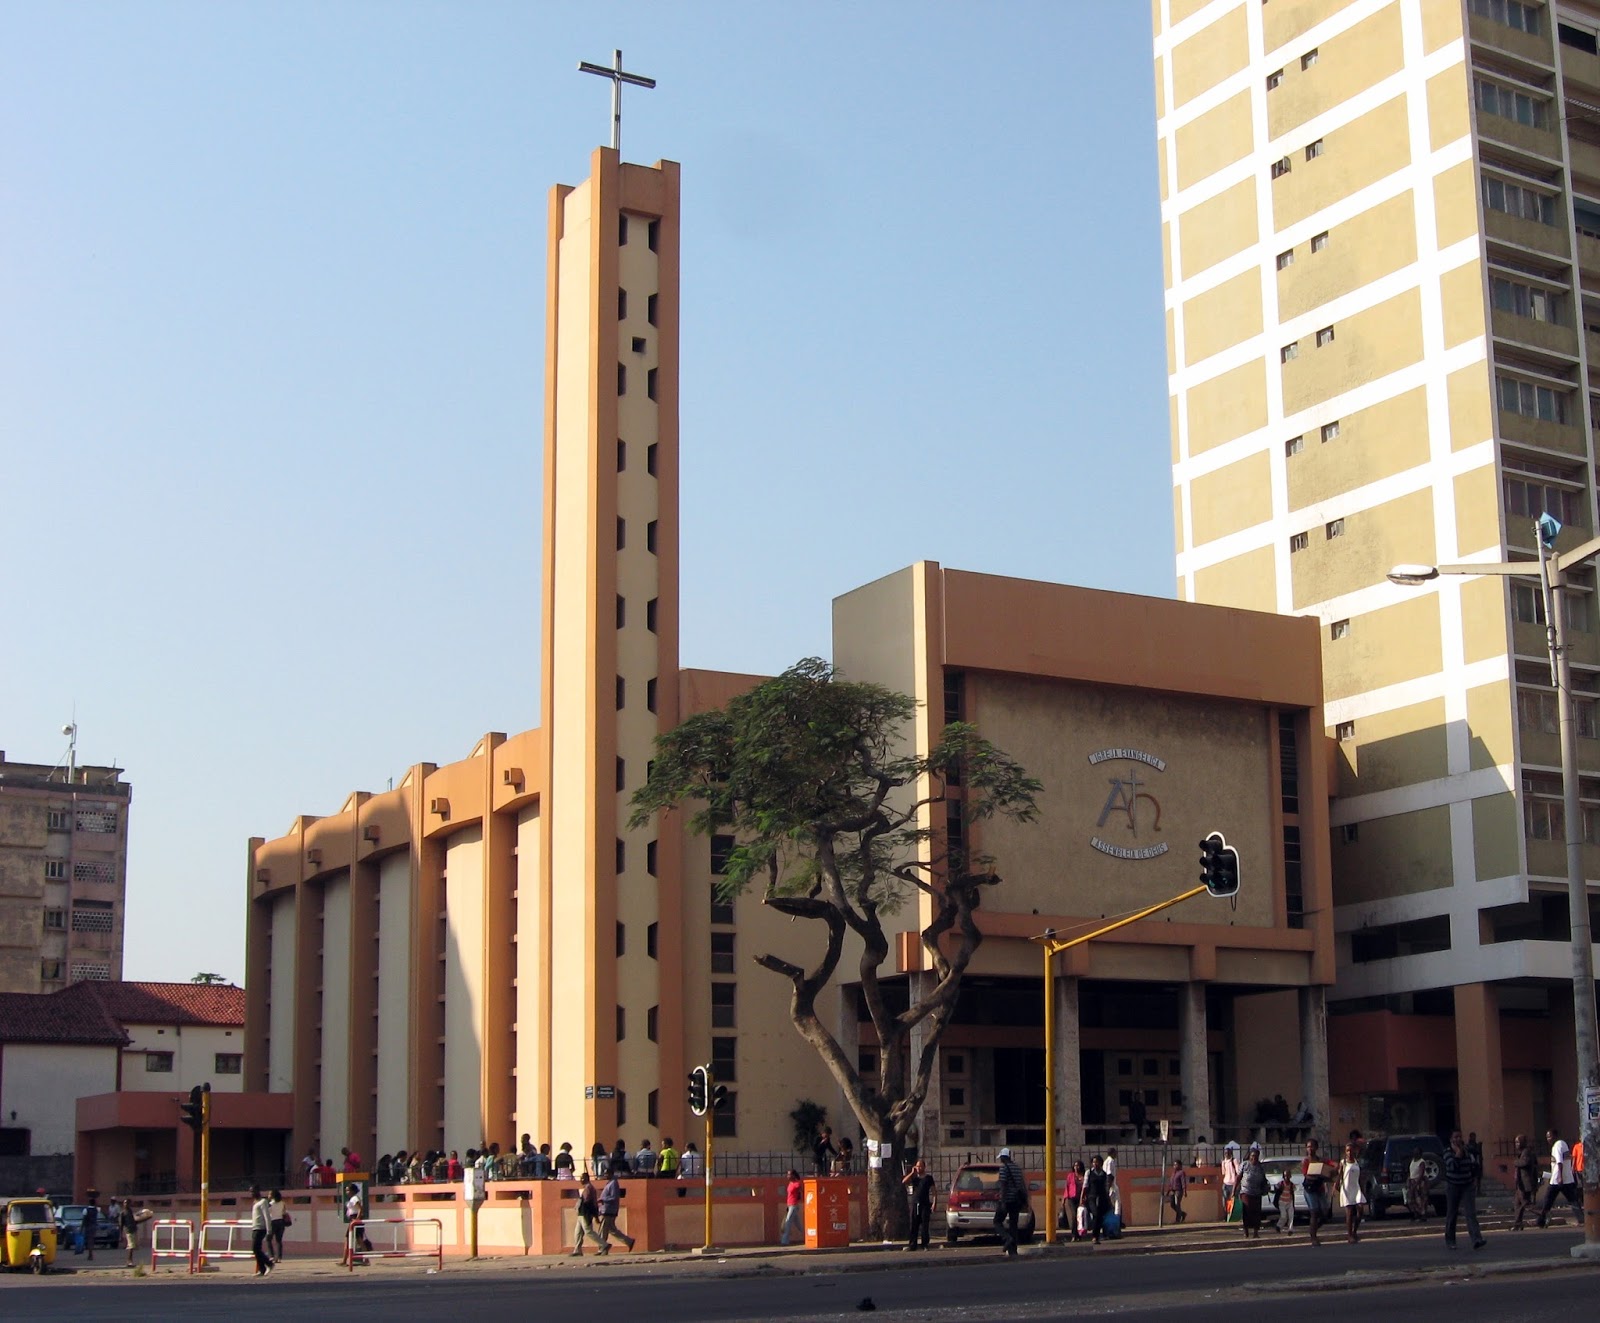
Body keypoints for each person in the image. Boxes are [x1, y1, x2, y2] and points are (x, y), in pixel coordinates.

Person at [1443, 1129, 1485, 1250]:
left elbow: (1474, 1165)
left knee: (1471, 1213)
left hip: (1467, 1185)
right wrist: (1457, 1153)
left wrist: (1474, 1179)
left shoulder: (1467, 1151)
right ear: (1451, 1139)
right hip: (1453, 1185)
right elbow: (1452, 1166)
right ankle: (1450, 1240)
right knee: (1452, 1213)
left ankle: (1476, 1239)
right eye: (1455, 1137)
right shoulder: (1447, 1152)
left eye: (1460, 1137)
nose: (1458, 1139)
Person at [1537, 1128, 1583, 1226]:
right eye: (1547, 1137)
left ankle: (1541, 1221)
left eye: (1549, 1136)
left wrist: (1559, 1177)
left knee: (1548, 1201)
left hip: (1557, 1180)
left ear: (1555, 1136)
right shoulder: (1563, 1144)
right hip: (1567, 1179)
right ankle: (1581, 1219)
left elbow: (1559, 1162)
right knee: (1573, 1201)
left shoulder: (1556, 1146)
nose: (1548, 1139)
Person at [994, 1148, 1026, 1258]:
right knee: (1013, 1225)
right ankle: (1013, 1250)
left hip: (1007, 1200)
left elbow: (1003, 1185)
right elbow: (1021, 1184)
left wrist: (1002, 1201)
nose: (1000, 1160)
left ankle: (1007, 1238)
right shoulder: (1017, 1168)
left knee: (997, 1221)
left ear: (1004, 1157)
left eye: (1001, 1158)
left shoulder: (1004, 1168)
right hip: (1016, 1200)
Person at [596, 1170, 636, 1253]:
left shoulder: (613, 1183)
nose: (605, 1175)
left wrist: (603, 1199)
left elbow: (614, 1197)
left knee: (603, 1230)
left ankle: (602, 1248)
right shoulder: (610, 1183)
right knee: (612, 1230)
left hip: (609, 1210)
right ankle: (629, 1241)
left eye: (607, 1174)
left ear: (611, 1174)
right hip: (607, 1209)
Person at [902, 1158, 937, 1250]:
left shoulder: (928, 1178)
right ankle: (912, 1244)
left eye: (920, 1166)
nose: (918, 1168)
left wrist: (934, 1203)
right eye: (917, 1166)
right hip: (915, 1203)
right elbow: (904, 1182)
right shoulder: (914, 1178)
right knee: (914, 1224)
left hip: (925, 1204)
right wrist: (911, 1173)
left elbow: (934, 1191)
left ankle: (925, 1244)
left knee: (925, 1225)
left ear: (924, 1167)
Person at [1300, 1139, 1330, 1246]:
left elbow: (1331, 1165)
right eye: (1308, 1147)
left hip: (1319, 1188)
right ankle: (1313, 1237)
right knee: (1314, 1212)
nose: (1310, 1149)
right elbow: (1306, 1175)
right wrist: (1318, 1175)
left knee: (1325, 1213)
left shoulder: (1320, 1160)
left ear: (1316, 1148)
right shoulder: (1306, 1161)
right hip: (1310, 1189)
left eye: (1312, 1146)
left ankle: (1313, 1229)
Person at [1337, 1142, 1366, 1244]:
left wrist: (1362, 1189)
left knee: (1360, 1210)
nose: (1349, 1153)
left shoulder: (1357, 1162)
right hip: (1347, 1189)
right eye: (1347, 1151)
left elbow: (1360, 1177)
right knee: (1349, 1212)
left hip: (1356, 1188)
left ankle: (1354, 1231)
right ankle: (1350, 1235)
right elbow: (1339, 1175)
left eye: (1351, 1150)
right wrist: (1337, 1185)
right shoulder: (1343, 1163)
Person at [1238, 1146, 1268, 1239]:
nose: (1254, 1158)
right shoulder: (1245, 1165)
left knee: (1256, 1213)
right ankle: (1246, 1230)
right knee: (1247, 1211)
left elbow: (1264, 1179)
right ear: (1250, 1156)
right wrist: (1233, 1191)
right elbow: (1238, 1178)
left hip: (1257, 1193)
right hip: (1246, 1192)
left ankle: (1256, 1232)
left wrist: (1265, 1188)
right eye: (1252, 1156)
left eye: (1256, 1156)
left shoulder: (1260, 1167)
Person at [1511, 1133, 1539, 1230]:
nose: (1516, 1144)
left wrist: (1515, 1162)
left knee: (1526, 1204)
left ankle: (1543, 1214)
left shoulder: (1526, 1152)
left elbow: (1525, 1163)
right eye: (1515, 1142)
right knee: (1517, 1204)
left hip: (1525, 1184)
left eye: (1518, 1142)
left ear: (1523, 1143)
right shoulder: (1522, 1153)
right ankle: (1518, 1224)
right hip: (1520, 1184)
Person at [571, 1172, 603, 1255]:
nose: (581, 1180)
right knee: (578, 1232)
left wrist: (594, 1215)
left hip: (585, 1213)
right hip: (581, 1213)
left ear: (586, 1179)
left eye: (582, 1178)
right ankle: (577, 1250)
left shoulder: (589, 1188)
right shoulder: (586, 1188)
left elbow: (588, 1203)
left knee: (589, 1231)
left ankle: (604, 1244)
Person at [1081, 1156, 1110, 1244]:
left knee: (1100, 1217)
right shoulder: (1089, 1173)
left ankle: (1096, 1236)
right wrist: (1082, 1198)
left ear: (1101, 1163)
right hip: (1092, 1197)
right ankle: (1094, 1235)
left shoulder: (1104, 1174)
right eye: (1094, 1162)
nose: (1095, 1164)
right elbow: (1085, 1186)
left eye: (1097, 1162)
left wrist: (1108, 1198)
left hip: (1102, 1198)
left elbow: (1106, 1187)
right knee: (1096, 1214)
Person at [249, 1185, 273, 1276]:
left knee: (255, 1248)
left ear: (258, 1191)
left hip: (261, 1228)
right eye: (251, 1192)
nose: (252, 1193)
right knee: (256, 1249)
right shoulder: (255, 1202)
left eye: (253, 1191)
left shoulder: (263, 1202)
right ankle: (262, 1269)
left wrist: (269, 1230)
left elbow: (267, 1216)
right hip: (255, 1228)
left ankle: (269, 1264)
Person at [779, 1168, 804, 1246]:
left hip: (794, 1205)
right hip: (789, 1205)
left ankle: (784, 1241)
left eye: (789, 1174)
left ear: (793, 1175)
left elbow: (802, 1192)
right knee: (798, 1224)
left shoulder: (797, 1184)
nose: (788, 1176)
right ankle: (807, 1235)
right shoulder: (790, 1184)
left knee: (788, 1222)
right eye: (787, 1174)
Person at [1061, 1160, 1083, 1241]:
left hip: (1080, 1198)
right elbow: (1067, 1187)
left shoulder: (1083, 1176)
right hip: (1071, 1198)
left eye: (1078, 1166)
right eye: (1075, 1166)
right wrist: (1064, 1199)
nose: (1076, 1167)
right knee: (1074, 1216)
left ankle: (1079, 1234)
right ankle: (1074, 1234)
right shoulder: (1070, 1176)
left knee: (1080, 1217)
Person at [1406, 1148, 1429, 1219]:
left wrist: (1416, 1184)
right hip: (1412, 1181)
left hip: (1420, 1182)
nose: (1416, 1154)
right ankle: (1416, 1213)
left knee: (1421, 1199)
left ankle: (1423, 1214)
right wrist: (1408, 1181)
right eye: (1415, 1152)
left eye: (1417, 1153)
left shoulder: (1421, 1162)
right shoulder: (1412, 1161)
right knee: (1411, 1199)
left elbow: (1421, 1174)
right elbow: (1411, 1172)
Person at [1274, 1166, 1296, 1234]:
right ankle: (1278, 1226)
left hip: (1289, 1202)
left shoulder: (1292, 1185)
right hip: (1282, 1202)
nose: (1286, 1177)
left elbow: (1292, 1193)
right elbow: (1276, 1190)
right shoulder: (1280, 1184)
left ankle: (1290, 1229)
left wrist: (1293, 1203)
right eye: (1285, 1176)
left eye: (1288, 1176)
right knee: (1283, 1216)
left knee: (1291, 1216)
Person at [119, 1198, 141, 1267]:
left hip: (133, 1229)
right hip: (129, 1231)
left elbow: (133, 1220)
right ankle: (129, 1262)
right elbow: (121, 1224)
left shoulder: (130, 1211)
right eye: (125, 1203)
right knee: (131, 1246)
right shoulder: (123, 1213)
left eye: (127, 1203)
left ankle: (129, 1261)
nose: (126, 1204)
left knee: (133, 1246)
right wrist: (120, 1235)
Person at [268, 1188, 287, 1262]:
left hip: (273, 1222)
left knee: (269, 1239)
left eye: (269, 1194)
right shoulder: (282, 1203)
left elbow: (268, 1212)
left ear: (272, 1195)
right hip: (281, 1222)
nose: (268, 1195)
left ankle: (271, 1256)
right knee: (279, 1240)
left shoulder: (270, 1204)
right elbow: (284, 1212)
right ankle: (279, 1257)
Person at [1165, 1159, 1187, 1223]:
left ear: (1180, 1165)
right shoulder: (1173, 1173)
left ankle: (1178, 1220)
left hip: (1178, 1191)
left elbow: (1183, 1182)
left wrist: (1184, 1190)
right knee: (1172, 1204)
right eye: (1174, 1165)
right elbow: (1171, 1183)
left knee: (1177, 1204)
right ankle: (1182, 1214)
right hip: (1173, 1191)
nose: (1174, 1166)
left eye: (1176, 1165)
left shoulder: (1181, 1173)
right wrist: (1168, 1191)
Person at [81, 1193, 98, 1262]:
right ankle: (90, 1253)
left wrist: (81, 1228)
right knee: (91, 1240)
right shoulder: (96, 1210)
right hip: (94, 1226)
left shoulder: (86, 1210)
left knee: (89, 1240)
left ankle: (90, 1254)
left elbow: (84, 1219)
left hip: (88, 1226)